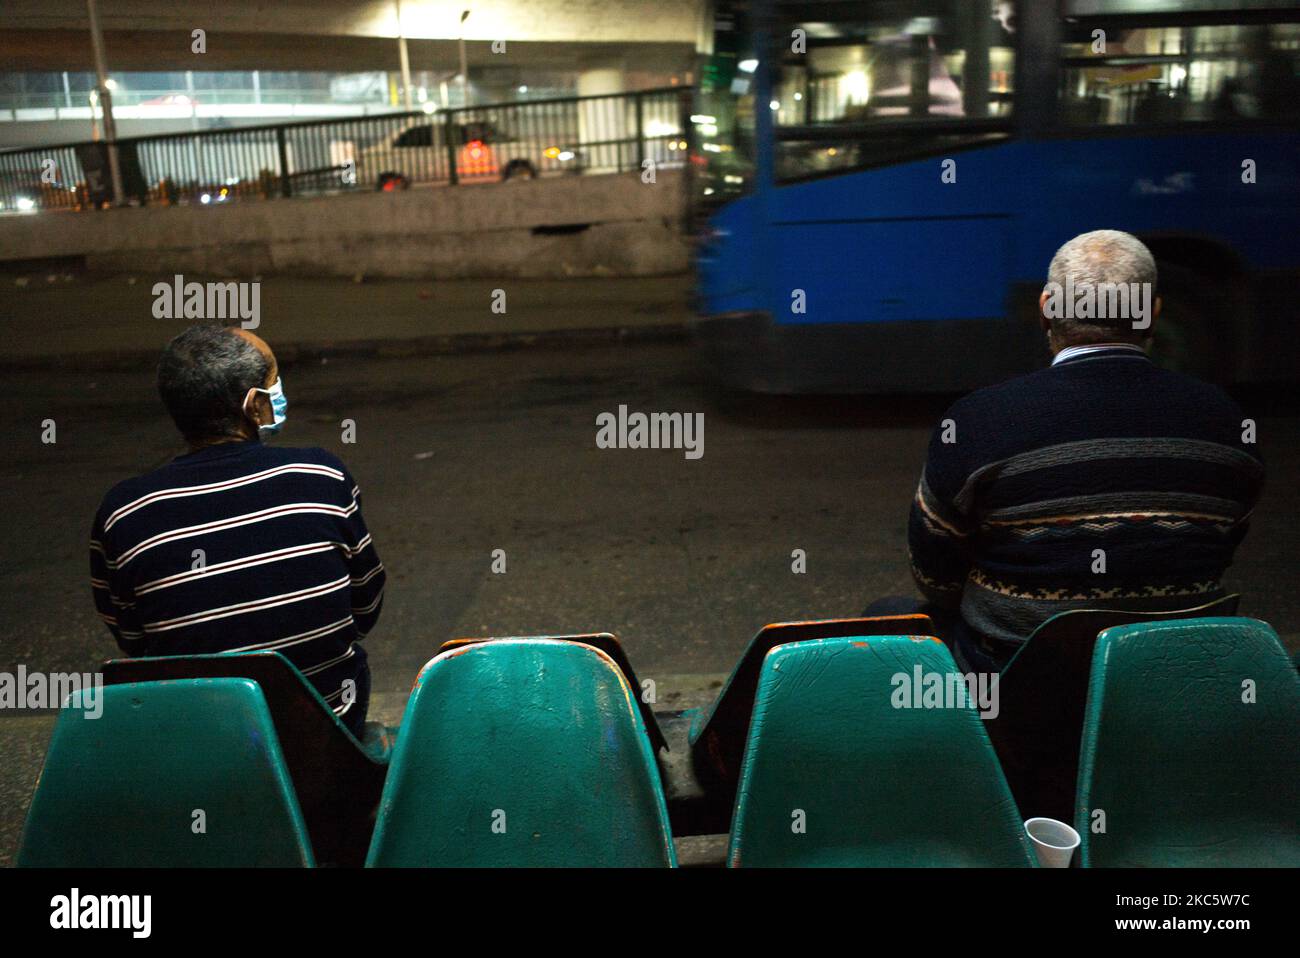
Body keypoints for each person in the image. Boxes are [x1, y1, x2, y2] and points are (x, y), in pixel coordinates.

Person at [886, 230, 1263, 672]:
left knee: (887, 616)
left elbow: (935, 574)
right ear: (1154, 312)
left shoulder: (977, 420)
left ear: (1046, 309)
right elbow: (1219, 546)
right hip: (1175, 671)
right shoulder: (1228, 421)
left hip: (1018, 682)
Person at [90, 324, 385, 734]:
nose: (280, 390)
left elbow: (136, 642)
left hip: (203, 747)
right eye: (273, 382)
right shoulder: (320, 475)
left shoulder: (124, 512)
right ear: (254, 405)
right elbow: (365, 607)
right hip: (328, 747)